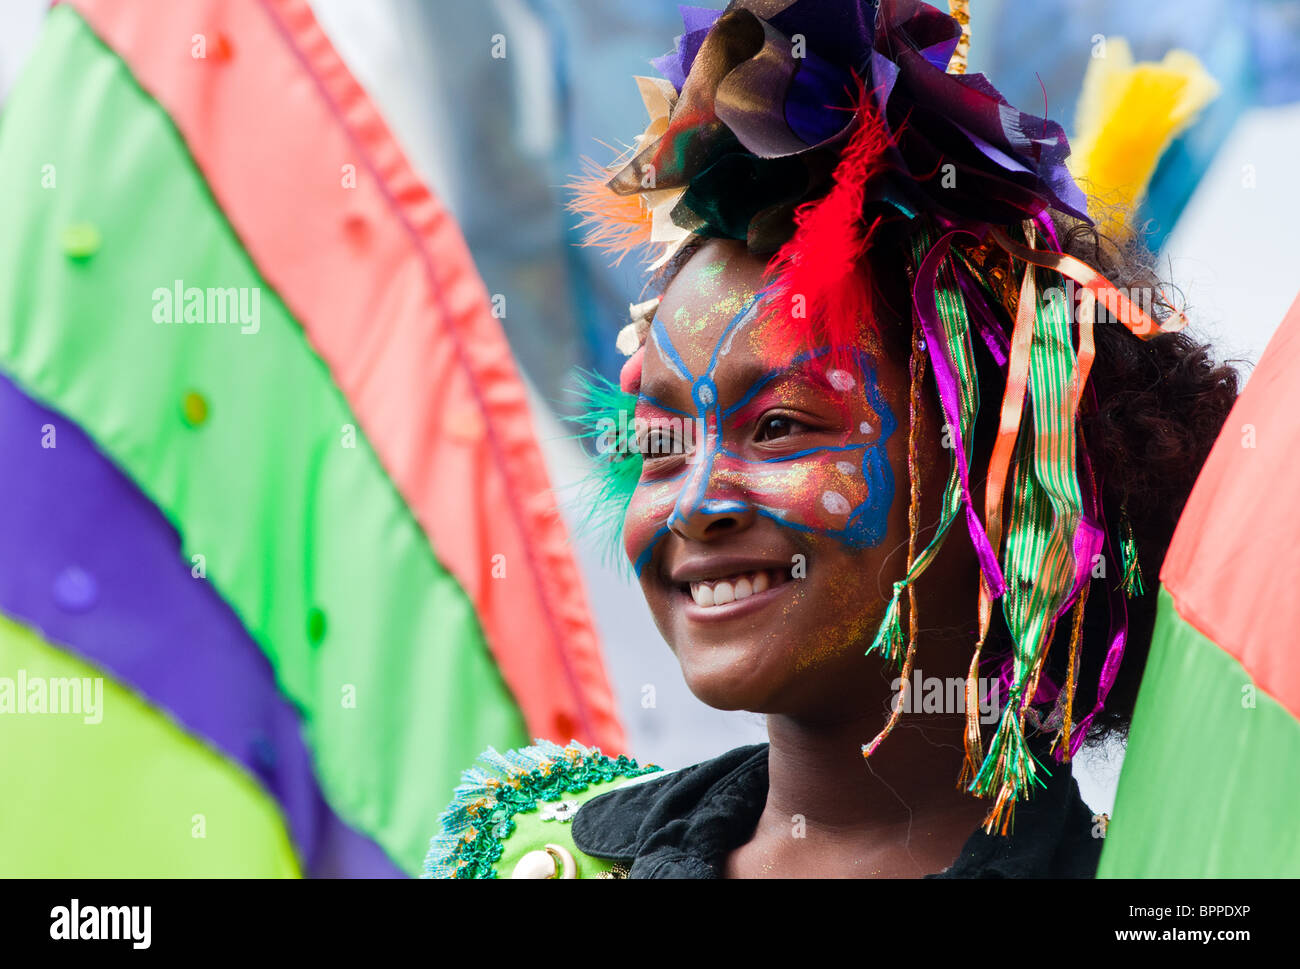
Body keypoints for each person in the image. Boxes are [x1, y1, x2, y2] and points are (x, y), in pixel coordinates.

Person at [425, 0, 1238, 879]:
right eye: (662, 441)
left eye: (779, 427)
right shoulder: (523, 854)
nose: (695, 505)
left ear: (1005, 470)